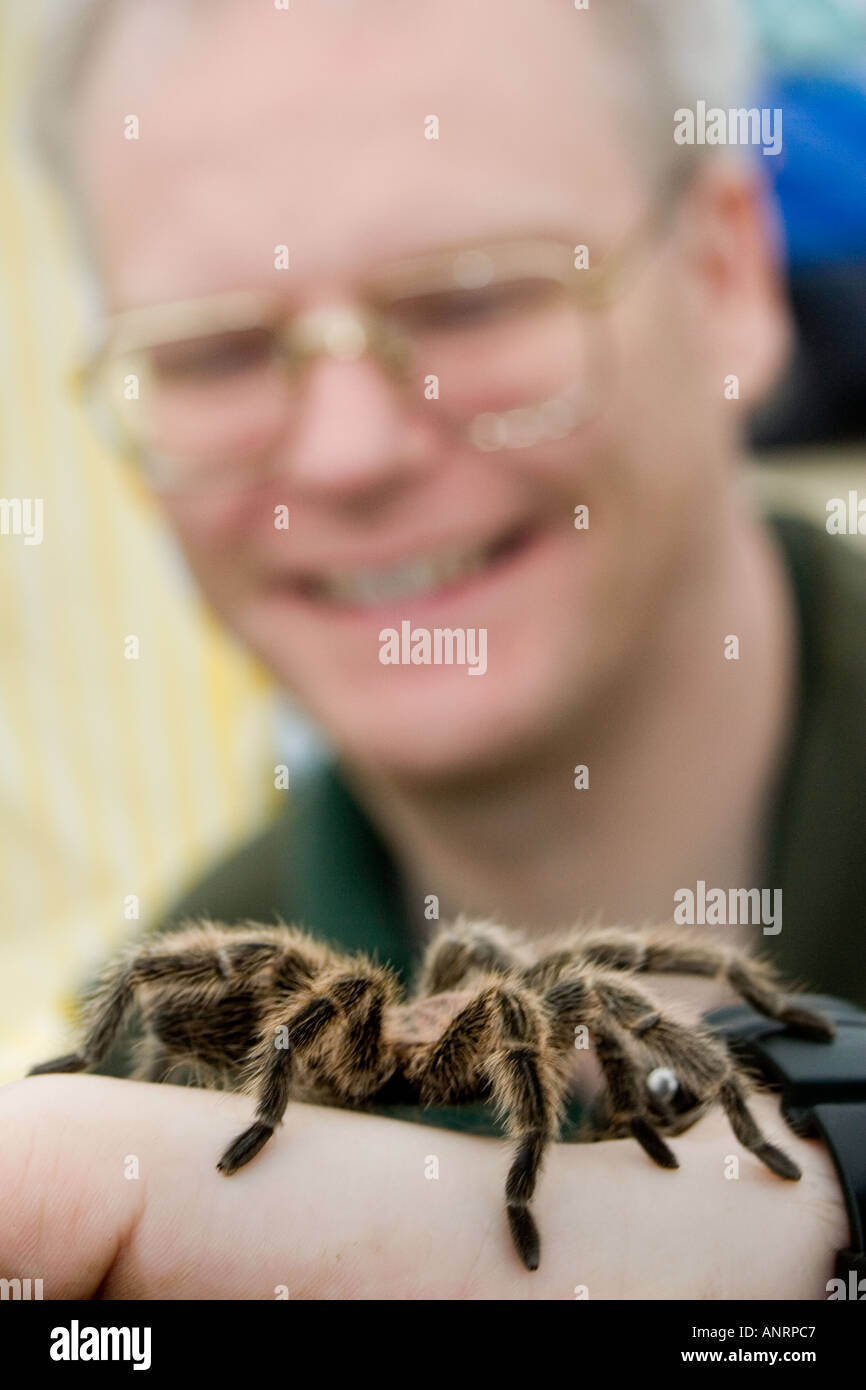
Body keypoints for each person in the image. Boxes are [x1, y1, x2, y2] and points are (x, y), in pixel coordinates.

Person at [3, 0, 863, 1299]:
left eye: (468, 297)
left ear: (724, 280)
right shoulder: (133, 1069)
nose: (345, 454)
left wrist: (838, 1188)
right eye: (216, 349)